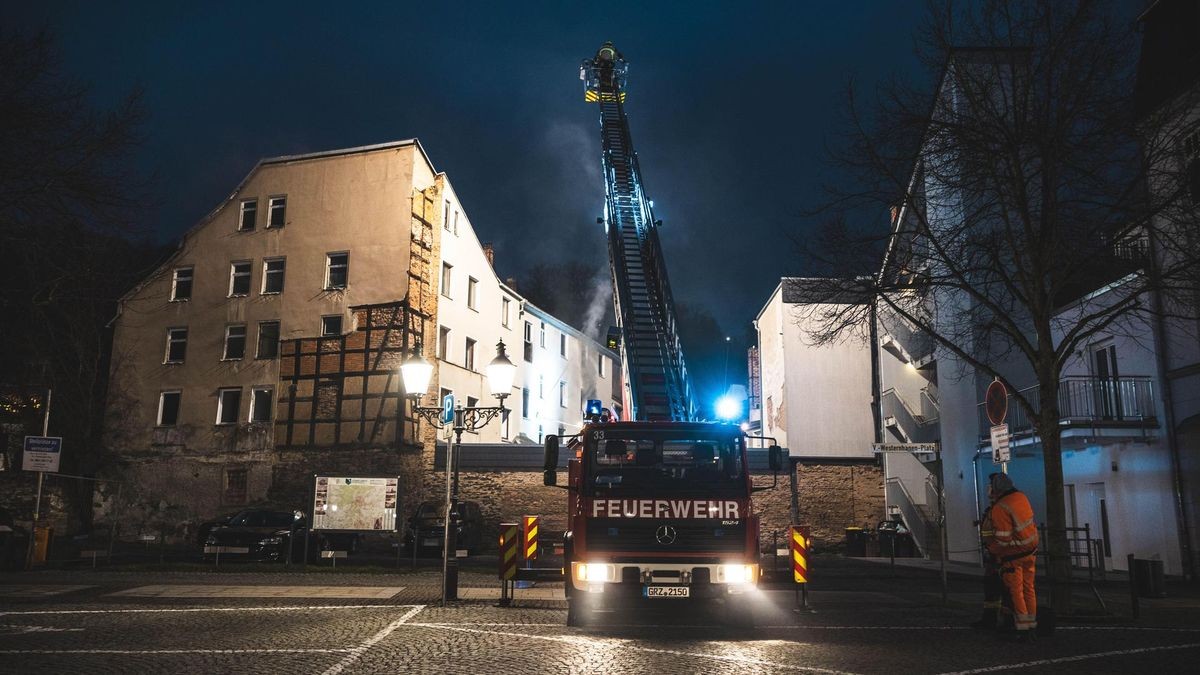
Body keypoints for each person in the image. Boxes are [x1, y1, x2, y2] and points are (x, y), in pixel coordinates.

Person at [984, 472, 1040, 641]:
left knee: (1016, 592)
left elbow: (1003, 539)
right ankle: (1031, 624)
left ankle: (1023, 630)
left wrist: (991, 551)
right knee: (1029, 588)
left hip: (1013, 555)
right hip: (1031, 550)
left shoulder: (1000, 508)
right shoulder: (1021, 497)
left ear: (996, 489)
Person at [971, 503, 1012, 630]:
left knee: (1004, 593)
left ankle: (1006, 623)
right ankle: (992, 620)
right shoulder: (1000, 515)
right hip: (996, 559)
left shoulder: (999, 519)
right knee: (993, 593)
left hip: (1000, 561)